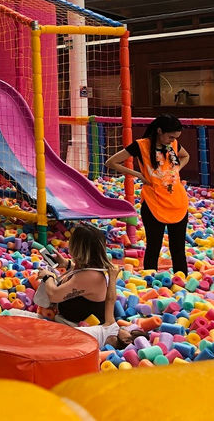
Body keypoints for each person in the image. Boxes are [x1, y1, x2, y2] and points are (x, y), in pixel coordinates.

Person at [29, 225, 144, 349]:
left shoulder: (90, 276)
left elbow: (54, 295)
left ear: (77, 248)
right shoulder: (91, 268)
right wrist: (67, 264)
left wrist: (48, 276)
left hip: (76, 328)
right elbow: (81, 273)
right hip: (69, 321)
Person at [104, 114, 190, 273]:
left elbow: (185, 156)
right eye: (170, 136)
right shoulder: (141, 145)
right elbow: (111, 162)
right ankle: (150, 281)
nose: (172, 140)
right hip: (153, 203)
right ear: (159, 131)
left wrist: (177, 168)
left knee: (178, 248)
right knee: (153, 247)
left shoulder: (174, 144)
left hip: (178, 202)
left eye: (175, 137)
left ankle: (182, 281)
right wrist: (138, 174)